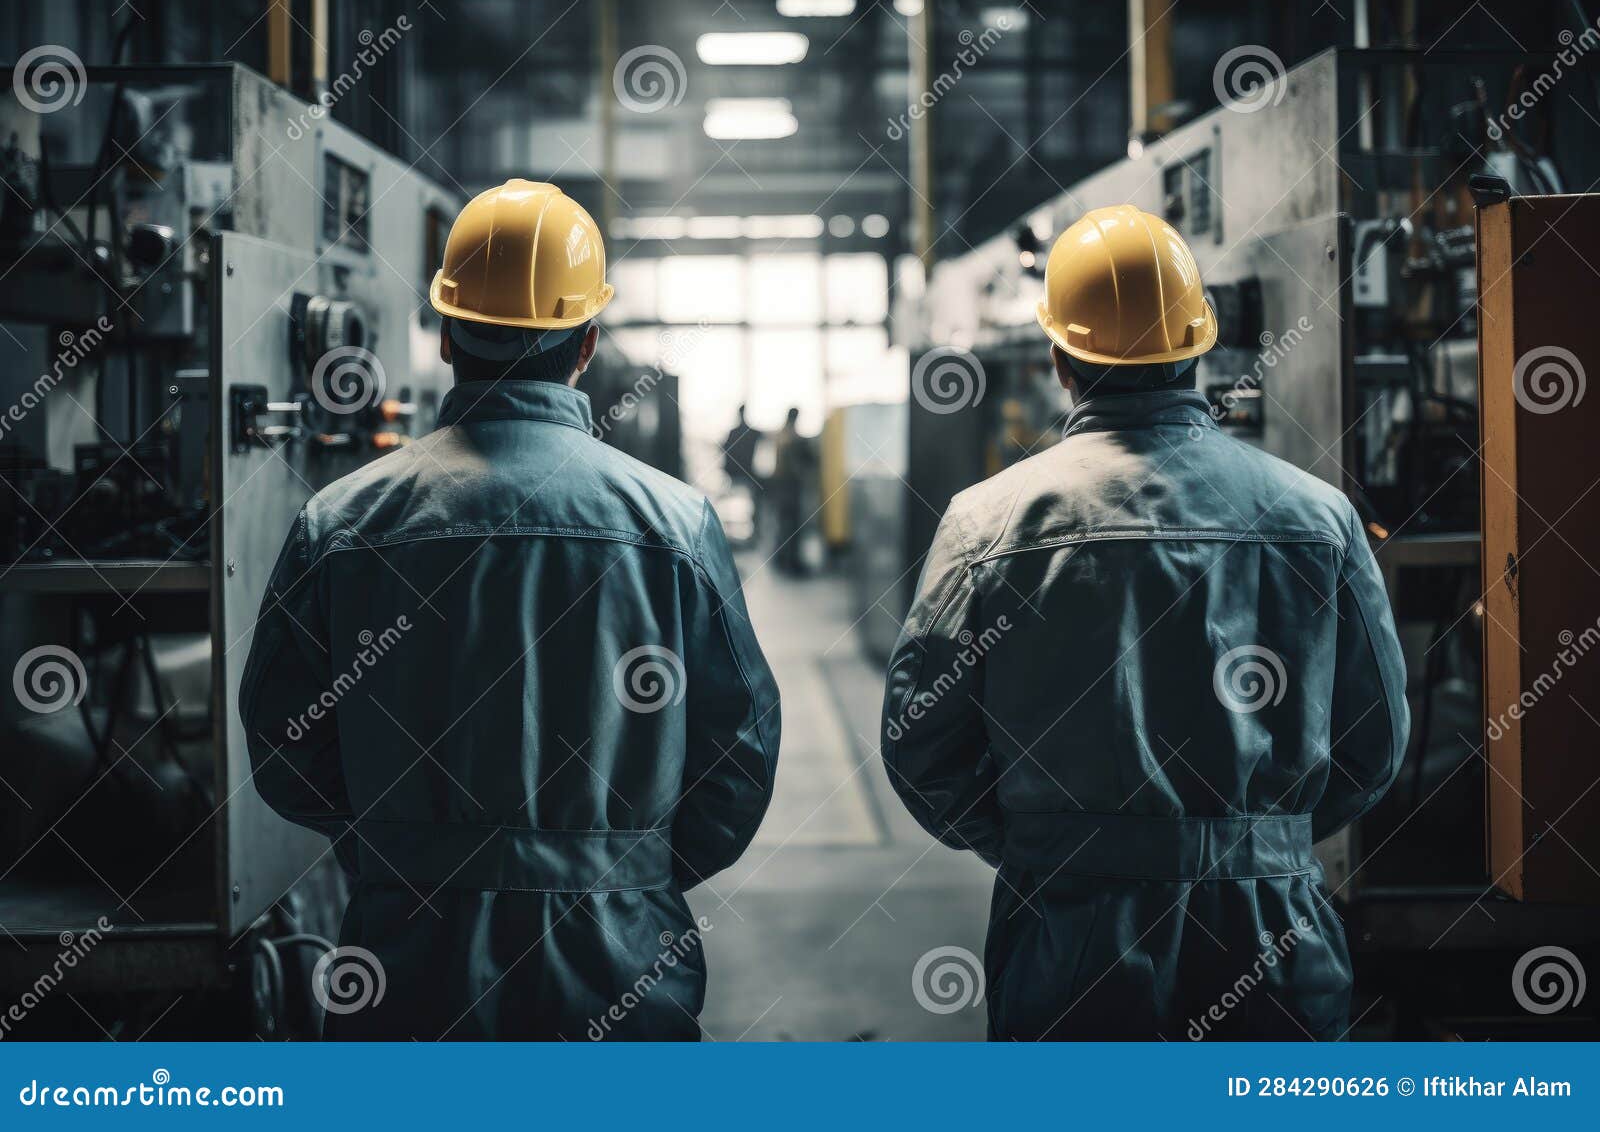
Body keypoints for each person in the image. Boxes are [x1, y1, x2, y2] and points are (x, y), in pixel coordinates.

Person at [240, 180, 780, 1040]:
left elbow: (282, 737)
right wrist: (623, 867)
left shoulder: (341, 522)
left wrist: (394, 849)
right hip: (615, 958)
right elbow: (740, 752)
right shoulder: (671, 524)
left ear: (447, 333)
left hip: (404, 955)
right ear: (589, 342)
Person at [881, 204, 1408, 1041]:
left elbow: (921, 743)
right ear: (1200, 347)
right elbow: (1373, 744)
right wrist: (1259, 839)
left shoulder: (987, 522)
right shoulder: (1317, 516)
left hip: (1071, 929)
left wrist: (1043, 840)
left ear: (1060, 359)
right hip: (1273, 930)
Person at [769, 407, 816, 574]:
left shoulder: (781, 435)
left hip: (781, 486)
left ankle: (782, 560)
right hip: (790, 486)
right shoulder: (792, 438)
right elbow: (803, 463)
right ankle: (791, 563)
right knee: (792, 526)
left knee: (784, 525)